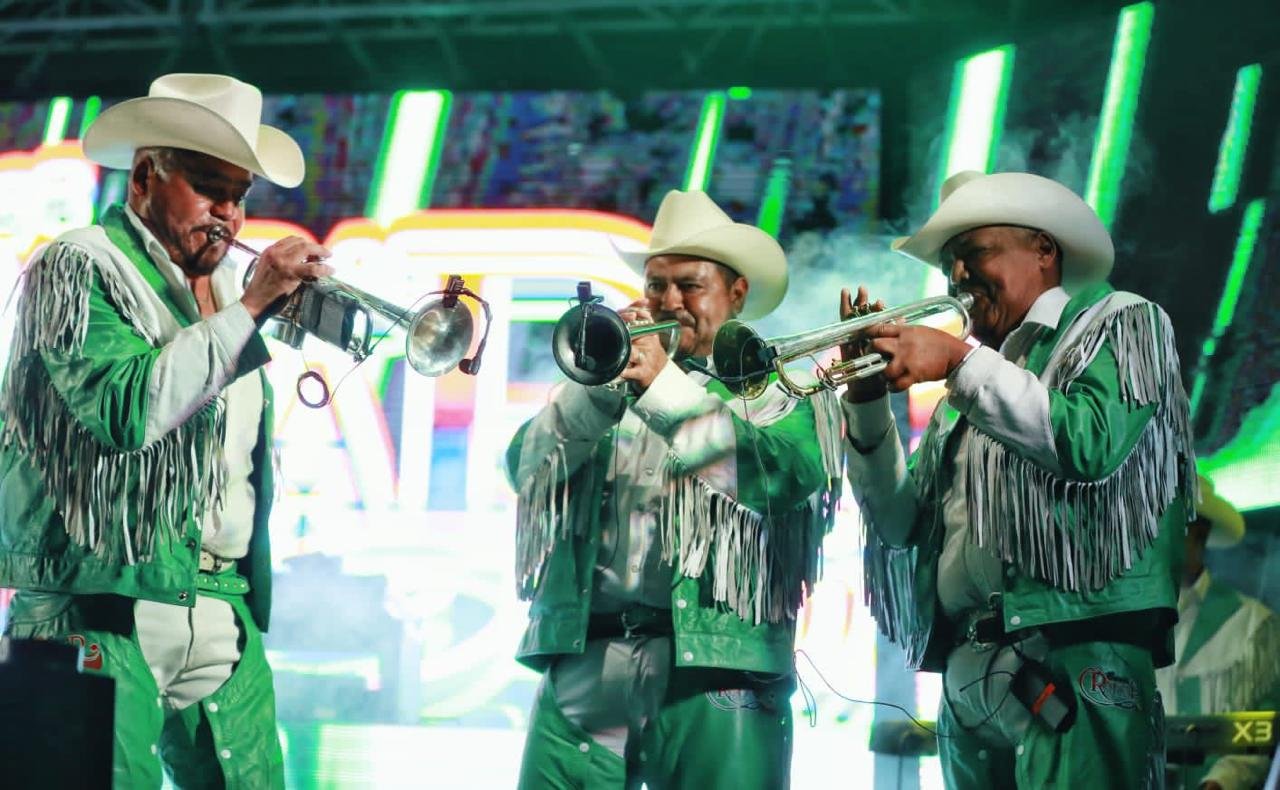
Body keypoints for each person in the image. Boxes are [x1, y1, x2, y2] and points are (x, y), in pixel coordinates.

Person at [0, 73, 332, 788]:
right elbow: (124, 410)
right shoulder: (79, 264)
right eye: (210, 187)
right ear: (148, 175)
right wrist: (248, 310)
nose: (230, 215)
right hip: (94, 605)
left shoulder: (220, 296)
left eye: (241, 196)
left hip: (220, 608)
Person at [842, 170, 1196, 788]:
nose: (957, 278)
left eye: (975, 252)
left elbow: (1090, 444)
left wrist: (958, 359)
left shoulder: (1121, 320)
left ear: (1043, 250)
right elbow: (902, 525)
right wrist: (868, 401)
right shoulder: (971, 387)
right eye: (951, 264)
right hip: (969, 666)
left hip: (1072, 650)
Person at [505, 189, 843, 788]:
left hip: (715, 667)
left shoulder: (780, 391)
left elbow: (781, 479)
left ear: (737, 293)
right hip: (588, 652)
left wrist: (662, 387)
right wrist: (594, 393)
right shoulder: (610, 382)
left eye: (690, 285)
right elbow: (524, 470)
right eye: (657, 285)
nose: (669, 302)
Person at [1158, 476, 1280, 790]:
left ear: (1199, 533)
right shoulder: (1135, 626)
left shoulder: (1253, 624)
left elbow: (1259, 735)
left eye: (1170, 528)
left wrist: (1218, 783)